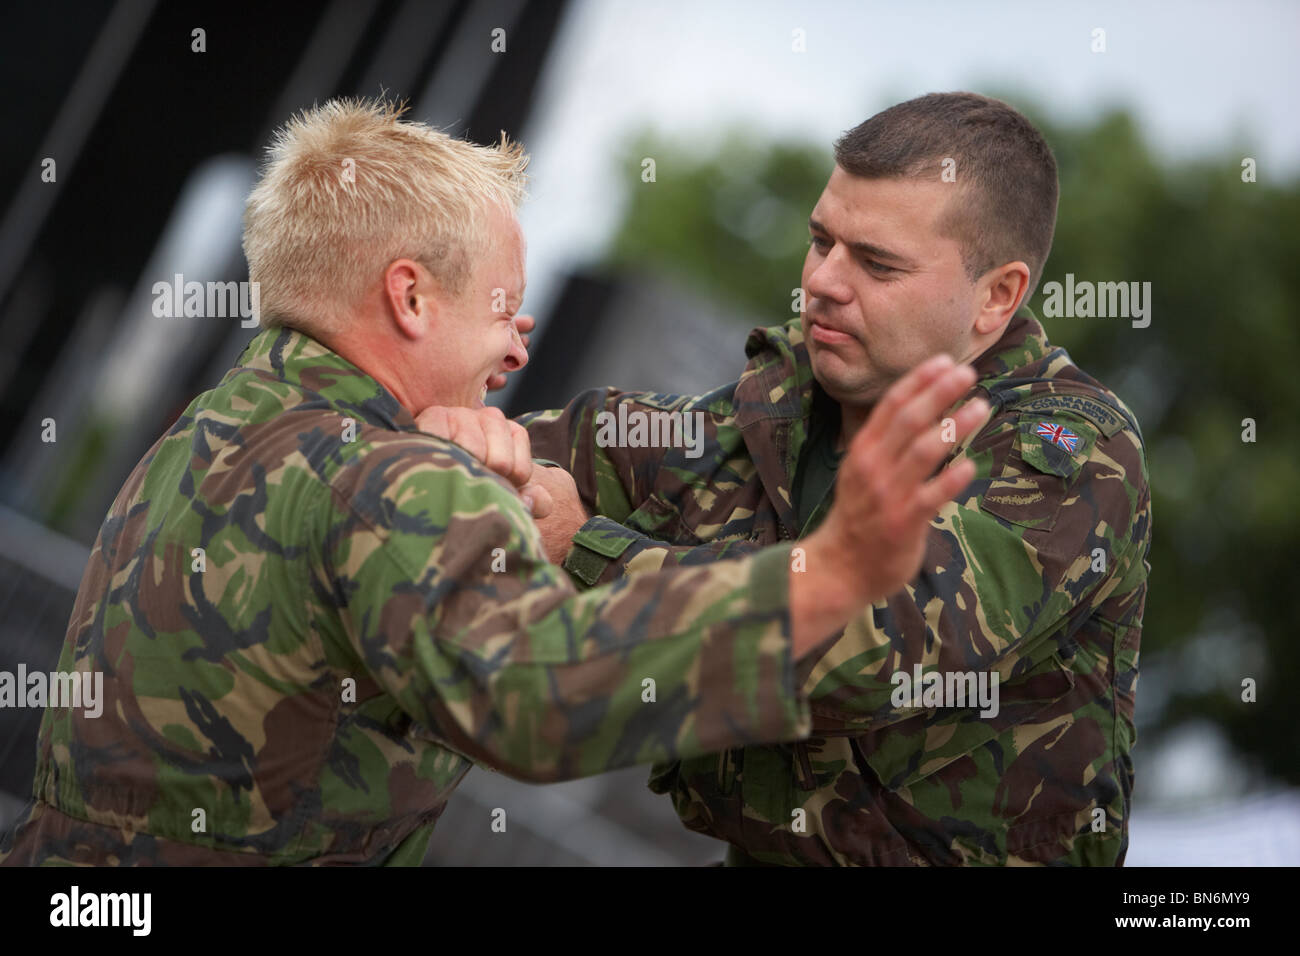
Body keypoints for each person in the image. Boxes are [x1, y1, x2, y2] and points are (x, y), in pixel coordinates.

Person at [0, 98, 984, 866]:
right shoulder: (390, 482)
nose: (519, 346)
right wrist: (832, 572)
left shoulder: (209, 430)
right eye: (504, 306)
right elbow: (540, 698)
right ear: (411, 295)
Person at [517, 92, 1151, 866]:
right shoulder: (782, 403)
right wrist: (468, 438)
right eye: (822, 242)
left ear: (997, 297)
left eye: (877, 263)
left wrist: (584, 550)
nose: (823, 281)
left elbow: (866, 652)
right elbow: (519, 465)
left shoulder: (1066, 451)